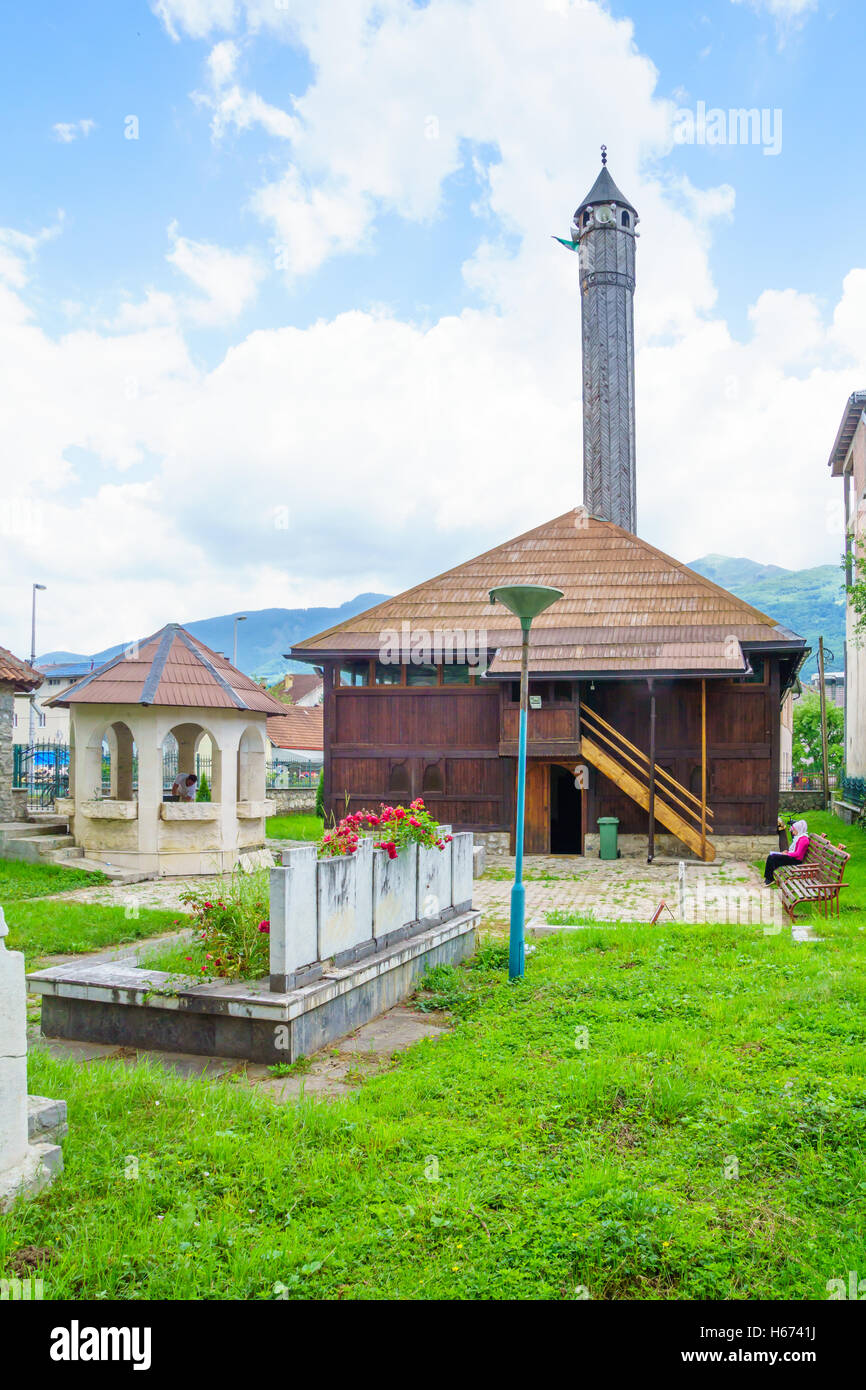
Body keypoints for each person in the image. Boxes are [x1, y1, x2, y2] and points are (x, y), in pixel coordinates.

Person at [763, 819, 809, 886]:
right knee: (772, 856)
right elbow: (795, 850)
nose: (792, 832)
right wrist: (787, 852)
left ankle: (769, 879)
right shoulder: (800, 837)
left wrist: (787, 854)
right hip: (793, 858)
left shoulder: (803, 840)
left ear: (799, 829)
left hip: (796, 860)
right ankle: (769, 878)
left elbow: (798, 854)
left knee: (772, 857)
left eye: (794, 830)